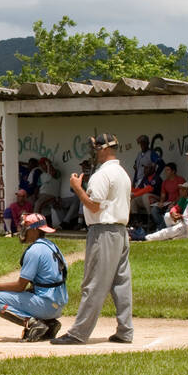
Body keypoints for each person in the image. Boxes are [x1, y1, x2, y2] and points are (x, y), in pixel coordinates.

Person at [52, 132, 133, 345]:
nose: (94, 152)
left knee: (93, 283)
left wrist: (77, 189)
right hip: (120, 231)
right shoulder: (122, 172)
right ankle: (125, 331)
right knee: (121, 283)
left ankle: (79, 333)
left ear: (104, 149)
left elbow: (94, 205)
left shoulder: (102, 174)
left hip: (103, 231)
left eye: (97, 148)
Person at [0, 213, 69, 342]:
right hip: (58, 304)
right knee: (26, 292)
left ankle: (34, 324)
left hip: (46, 305)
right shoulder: (51, 245)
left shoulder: (34, 250)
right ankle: (50, 324)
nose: (23, 231)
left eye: (26, 227)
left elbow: (20, 286)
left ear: (35, 230)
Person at [151, 162, 184, 230]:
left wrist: (174, 202)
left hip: (178, 203)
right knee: (154, 210)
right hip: (168, 203)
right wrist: (161, 202)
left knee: (168, 211)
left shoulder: (180, 180)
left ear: (173, 171)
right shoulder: (165, 182)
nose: (165, 172)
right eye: (165, 170)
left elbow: (182, 195)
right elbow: (163, 195)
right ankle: (163, 227)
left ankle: (160, 228)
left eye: (167, 170)